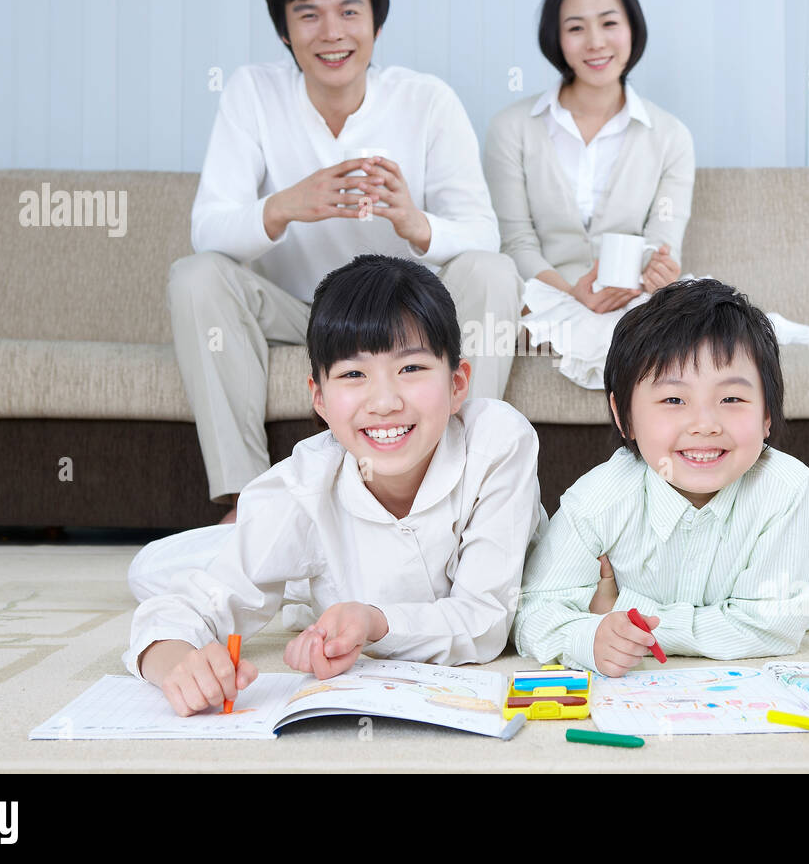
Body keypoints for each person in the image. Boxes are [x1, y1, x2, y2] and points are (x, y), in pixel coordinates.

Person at [176, 0, 522, 522]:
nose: (331, 32)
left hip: (404, 319)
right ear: (286, 33)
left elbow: (483, 235)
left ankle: (463, 486)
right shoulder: (252, 93)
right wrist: (284, 205)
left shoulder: (426, 100)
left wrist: (415, 224)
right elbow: (207, 228)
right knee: (196, 276)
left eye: (348, 11)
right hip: (299, 313)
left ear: (376, 26)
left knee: (492, 270)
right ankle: (249, 503)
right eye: (308, 15)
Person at [128, 255, 544, 716]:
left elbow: (483, 622)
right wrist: (175, 663)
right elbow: (185, 610)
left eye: (411, 369)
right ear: (320, 398)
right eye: (353, 374)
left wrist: (372, 621)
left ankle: (296, 580)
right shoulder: (304, 486)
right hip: (306, 566)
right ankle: (280, 571)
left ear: (458, 382)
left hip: (339, 591)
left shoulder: (499, 441)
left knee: (203, 567)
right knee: (149, 570)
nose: (385, 402)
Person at [512, 279, 809, 676]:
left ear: (767, 413)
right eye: (673, 400)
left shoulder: (789, 491)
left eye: (731, 399)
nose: (704, 425)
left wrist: (623, 613)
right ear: (624, 416)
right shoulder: (598, 500)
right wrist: (588, 639)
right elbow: (532, 610)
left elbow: (768, 628)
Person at [483, 0, 695, 319]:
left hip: (632, 302)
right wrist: (570, 294)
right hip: (540, 297)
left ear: (632, 29)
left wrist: (660, 271)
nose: (595, 42)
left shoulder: (671, 137)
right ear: (557, 38)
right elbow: (514, 241)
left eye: (610, 23)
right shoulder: (511, 127)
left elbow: (663, 243)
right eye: (576, 28)